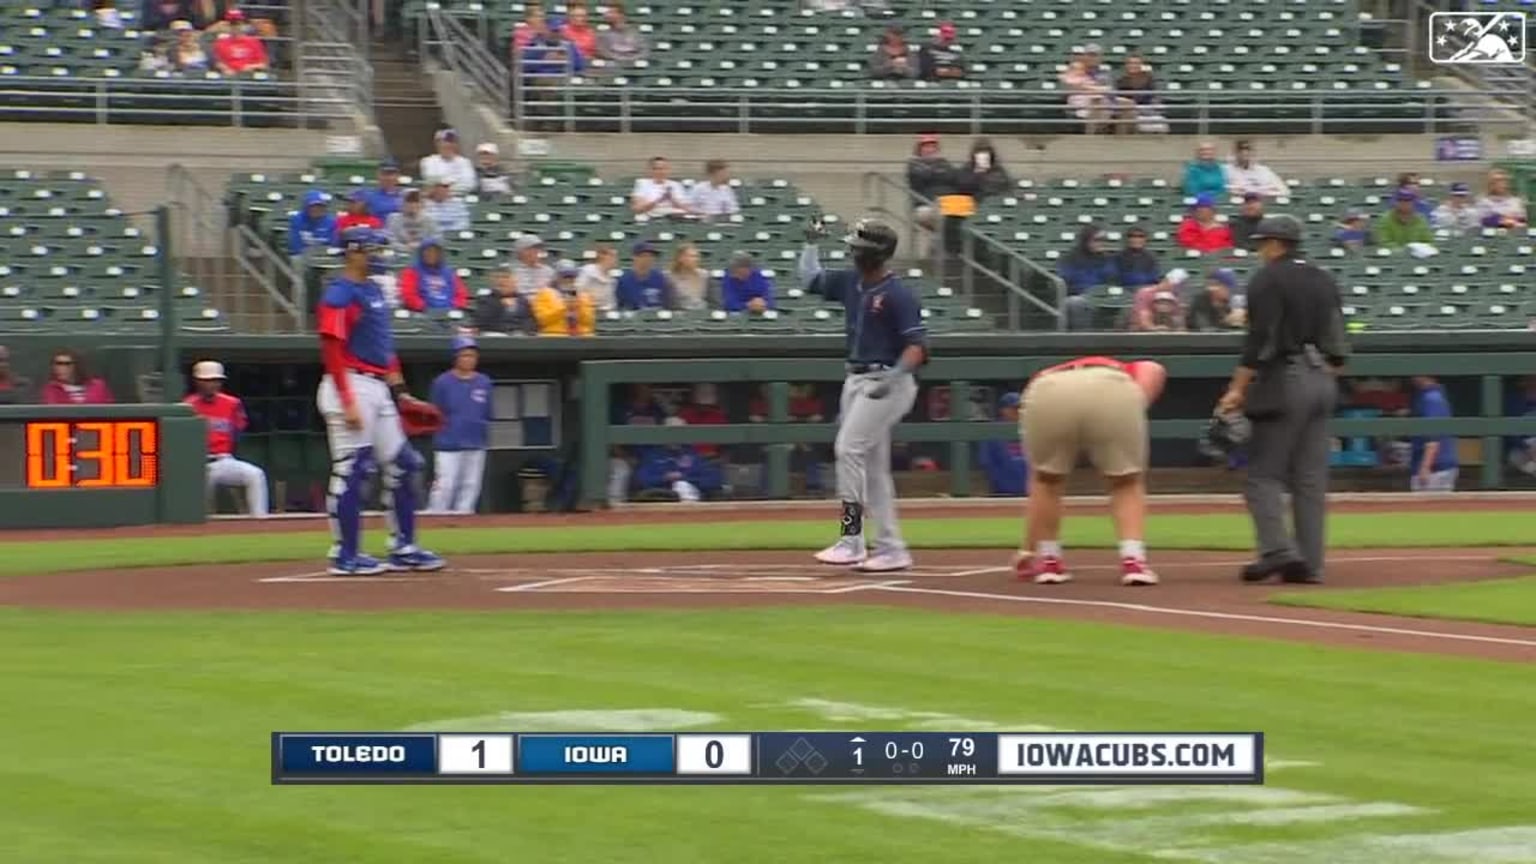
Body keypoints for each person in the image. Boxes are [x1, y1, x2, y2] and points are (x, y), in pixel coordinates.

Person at [1216, 215, 1349, 585]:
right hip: (1323, 377)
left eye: (1262, 243)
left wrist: (1237, 388)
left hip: (1286, 377)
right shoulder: (1323, 278)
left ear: (1276, 244)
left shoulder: (1268, 278)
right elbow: (1339, 343)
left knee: (1263, 474)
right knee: (1310, 479)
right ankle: (1310, 564)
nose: (1260, 249)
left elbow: (1259, 340)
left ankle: (1277, 551)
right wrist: (1325, 373)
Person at [315, 227, 446, 575]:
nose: (377, 256)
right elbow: (332, 350)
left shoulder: (373, 289)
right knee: (353, 469)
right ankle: (345, 554)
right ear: (352, 252)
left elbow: (384, 349)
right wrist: (347, 400)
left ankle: (404, 546)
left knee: (406, 464)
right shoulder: (340, 293)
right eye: (371, 250)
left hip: (377, 385)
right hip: (349, 382)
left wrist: (400, 392)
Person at [800, 217, 926, 573]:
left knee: (848, 449)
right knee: (873, 470)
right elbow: (809, 280)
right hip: (856, 379)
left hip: (887, 381)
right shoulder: (850, 282)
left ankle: (851, 539)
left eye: (858, 249)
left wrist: (895, 376)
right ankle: (891, 548)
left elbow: (917, 347)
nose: (853, 253)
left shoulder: (898, 294)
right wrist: (810, 244)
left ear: (875, 254)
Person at [1012, 356, 1168, 586]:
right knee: (1125, 482)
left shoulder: (1047, 373)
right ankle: (1133, 561)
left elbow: (1039, 483)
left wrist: (1027, 549)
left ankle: (1049, 561)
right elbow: (1153, 370)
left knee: (1046, 481)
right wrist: (1127, 414)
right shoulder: (1132, 368)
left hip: (1047, 390)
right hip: (1111, 387)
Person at [184, 359, 268, 517]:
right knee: (203, 482)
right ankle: (200, 523)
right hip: (198, 462)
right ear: (197, 382)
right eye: (207, 380)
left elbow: (238, 430)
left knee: (255, 474)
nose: (212, 384)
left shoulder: (232, 403)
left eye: (216, 380)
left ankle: (259, 519)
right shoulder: (187, 406)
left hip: (223, 460)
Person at [427, 336, 494, 514]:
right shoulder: (442, 382)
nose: (469, 359)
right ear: (455, 357)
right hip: (448, 442)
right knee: (445, 484)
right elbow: (435, 411)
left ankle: (465, 519)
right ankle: (435, 518)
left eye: (472, 355)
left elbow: (487, 412)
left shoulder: (484, 382)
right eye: (464, 355)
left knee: (471, 485)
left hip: (476, 441)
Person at [1408, 376, 1458, 493]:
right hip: (1437, 467)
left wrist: (1425, 467)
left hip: (1435, 469)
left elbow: (1433, 438)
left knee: (1426, 504)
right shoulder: (1430, 395)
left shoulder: (1431, 398)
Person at [977, 392, 1028, 496]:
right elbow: (986, 462)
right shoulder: (993, 431)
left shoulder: (1029, 429)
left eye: (1021, 408)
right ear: (1003, 410)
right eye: (1015, 408)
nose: (1018, 411)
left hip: (1029, 491)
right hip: (1002, 492)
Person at [398, 239, 468, 313]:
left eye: (435, 252)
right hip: (422, 313)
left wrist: (453, 306)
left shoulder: (449, 273)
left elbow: (461, 294)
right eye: (428, 251)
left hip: (449, 312)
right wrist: (422, 307)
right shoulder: (412, 272)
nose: (431, 254)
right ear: (422, 254)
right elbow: (408, 295)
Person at [530, 260, 597, 336]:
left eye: (572, 276)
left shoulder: (583, 296)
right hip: (554, 336)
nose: (569, 279)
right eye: (565, 276)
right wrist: (564, 308)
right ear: (557, 277)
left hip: (581, 337)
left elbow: (590, 322)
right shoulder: (544, 294)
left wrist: (578, 307)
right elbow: (542, 321)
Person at [615, 240, 675, 310]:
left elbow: (668, 304)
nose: (648, 259)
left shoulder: (660, 278)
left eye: (651, 256)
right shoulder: (624, 280)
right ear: (635, 257)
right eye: (644, 256)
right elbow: (620, 306)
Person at [41, 349, 113, 404]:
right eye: (57, 364)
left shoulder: (98, 386)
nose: (60, 368)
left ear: (77, 366)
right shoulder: (51, 389)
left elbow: (110, 411)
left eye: (66, 364)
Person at [419, 128, 476, 197]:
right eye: (444, 142)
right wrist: (452, 181)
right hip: (433, 198)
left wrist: (447, 191)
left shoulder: (464, 162)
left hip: (457, 198)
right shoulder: (428, 161)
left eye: (451, 143)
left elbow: (469, 184)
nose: (447, 145)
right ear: (437, 144)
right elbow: (431, 179)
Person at [474, 266, 526, 333]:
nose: (501, 280)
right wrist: (500, 304)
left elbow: (529, 320)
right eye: (497, 277)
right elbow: (481, 322)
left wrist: (525, 331)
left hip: (520, 335)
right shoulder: (485, 300)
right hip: (495, 334)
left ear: (514, 281)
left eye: (505, 277)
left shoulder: (522, 299)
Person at [384, 189, 439, 254]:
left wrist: (421, 245)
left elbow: (436, 239)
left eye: (416, 201)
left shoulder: (429, 220)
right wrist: (405, 248)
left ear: (422, 204)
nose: (413, 204)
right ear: (402, 203)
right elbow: (390, 241)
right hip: (399, 254)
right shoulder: (393, 219)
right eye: (409, 201)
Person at [667, 242, 710, 310]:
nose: (696, 259)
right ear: (680, 258)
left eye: (697, 256)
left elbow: (712, 300)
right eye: (692, 256)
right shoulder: (669, 277)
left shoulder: (705, 275)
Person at [577, 244, 618, 308]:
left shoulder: (612, 280)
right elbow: (578, 292)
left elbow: (611, 303)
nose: (616, 259)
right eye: (612, 256)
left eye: (616, 256)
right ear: (602, 256)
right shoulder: (587, 271)